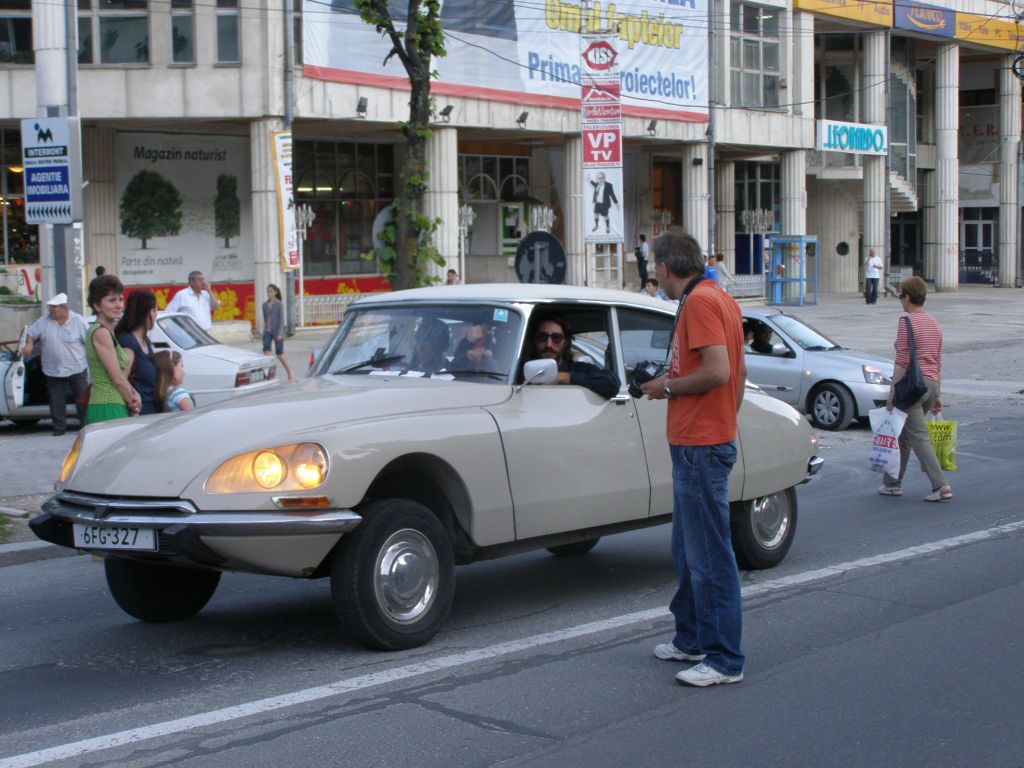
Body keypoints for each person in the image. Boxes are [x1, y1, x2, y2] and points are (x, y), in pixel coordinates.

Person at [639, 227, 747, 688]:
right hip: (700, 440)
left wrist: (666, 387)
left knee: (708, 556)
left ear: (665, 268)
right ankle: (692, 638)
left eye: (654, 269)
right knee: (687, 551)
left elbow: (718, 371)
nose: (656, 277)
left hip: (700, 445)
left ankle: (724, 659)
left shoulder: (701, 302)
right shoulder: (717, 296)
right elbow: (732, 374)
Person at [879, 276, 952, 502]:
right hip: (930, 385)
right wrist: (938, 394)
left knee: (918, 437)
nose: (901, 301)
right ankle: (892, 483)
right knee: (904, 436)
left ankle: (940, 485)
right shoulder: (935, 323)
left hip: (912, 386)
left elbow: (902, 360)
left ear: (908, 298)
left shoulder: (907, 322)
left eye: (901, 296)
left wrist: (892, 393)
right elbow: (937, 360)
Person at [22, 293, 89, 436]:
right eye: (50, 308)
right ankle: (59, 429)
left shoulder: (78, 321)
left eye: (54, 308)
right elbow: (31, 333)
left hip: (77, 367)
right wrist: (29, 344)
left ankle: (87, 427)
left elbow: (90, 341)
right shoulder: (43, 321)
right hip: (53, 370)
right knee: (56, 401)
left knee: (83, 399)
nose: (51, 311)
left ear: (64, 308)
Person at [84, 274, 141, 424]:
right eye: (111, 300)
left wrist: (134, 394)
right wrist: (132, 402)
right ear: (96, 305)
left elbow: (120, 378)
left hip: (111, 403)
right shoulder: (101, 332)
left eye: (120, 299)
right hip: (107, 406)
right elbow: (117, 379)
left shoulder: (107, 331)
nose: (118, 305)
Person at [527, 315, 619, 399]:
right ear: (534, 340)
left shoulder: (579, 369)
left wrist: (563, 378)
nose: (549, 344)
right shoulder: (517, 372)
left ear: (565, 342)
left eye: (557, 338)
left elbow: (612, 383)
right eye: (542, 337)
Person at [115, 290, 160, 414]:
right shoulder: (128, 342)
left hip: (151, 408)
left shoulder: (145, 340)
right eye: (156, 310)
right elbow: (121, 379)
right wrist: (133, 402)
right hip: (138, 412)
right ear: (151, 312)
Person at [262, 283, 294, 382]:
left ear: (275, 292)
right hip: (267, 331)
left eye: (271, 291)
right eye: (268, 291)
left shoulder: (279, 304)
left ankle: (290, 372)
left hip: (278, 332)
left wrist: (280, 333)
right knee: (266, 350)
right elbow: (265, 318)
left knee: (279, 354)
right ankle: (270, 373)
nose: (269, 293)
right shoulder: (264, 305)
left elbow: (281, 320)